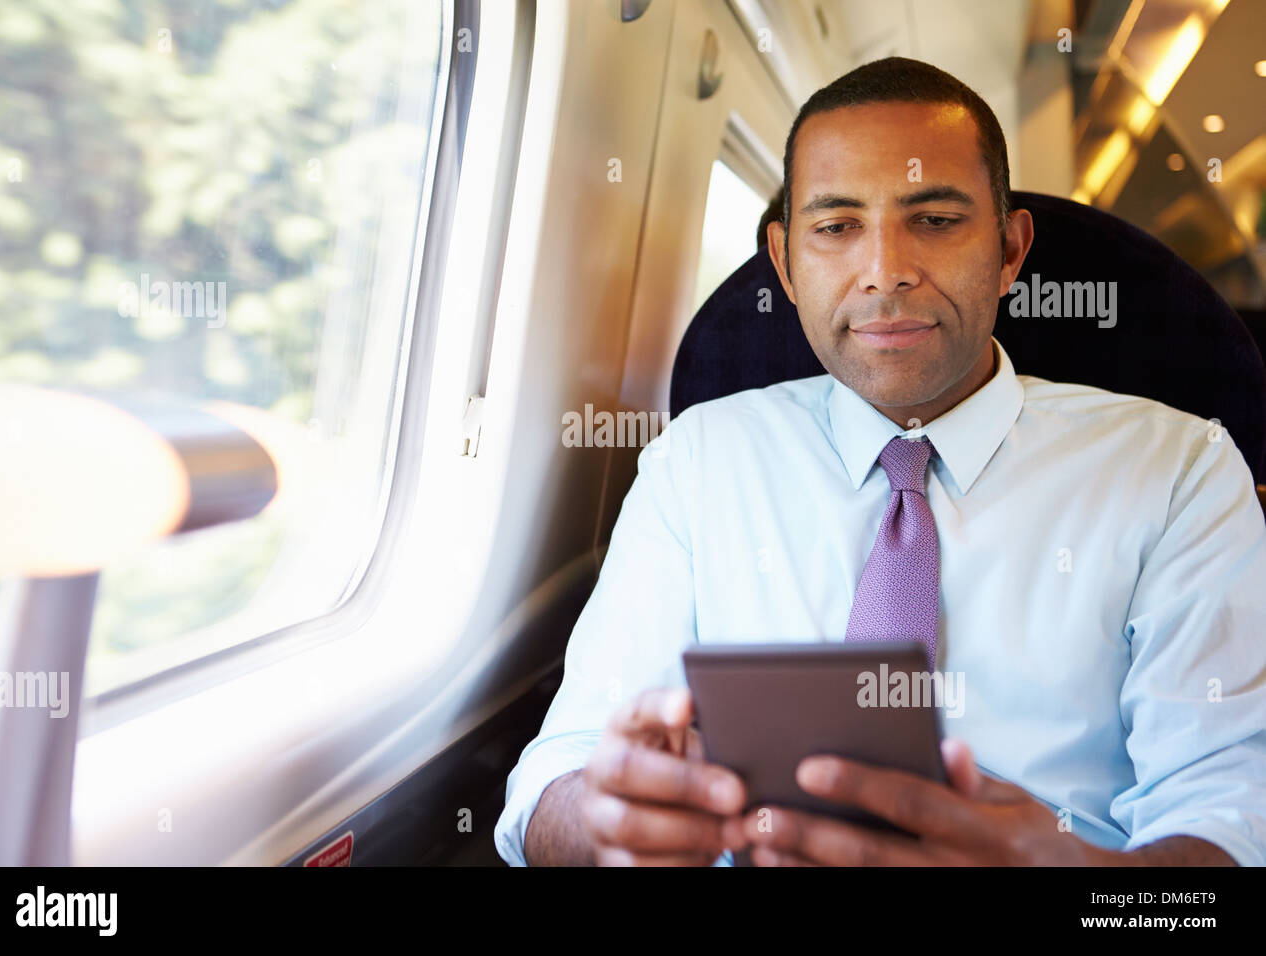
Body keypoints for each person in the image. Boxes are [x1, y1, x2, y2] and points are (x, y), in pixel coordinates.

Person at [494, 57, 1266, 866]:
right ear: (787, 265)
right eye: (836, 227)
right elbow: (557, 779)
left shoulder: (1181, 471)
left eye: (934, 220)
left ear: (1009, 251)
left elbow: (1229, 822)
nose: (886, 270)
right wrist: (611, 821)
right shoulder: (698, 460)